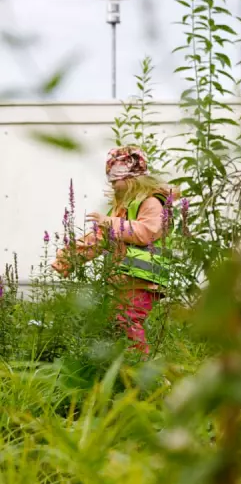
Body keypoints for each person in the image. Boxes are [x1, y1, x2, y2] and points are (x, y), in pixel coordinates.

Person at [52, 146, 176, 355]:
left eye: (115, 178)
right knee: (116, 324)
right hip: (125, 278)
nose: (112, 184)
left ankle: (145, 371)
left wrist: (110, 222)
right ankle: (124, 370)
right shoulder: (123, 208)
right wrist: (69, 257)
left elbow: (146, 232)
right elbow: (100, 238)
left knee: (128, 321)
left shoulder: (152, 202)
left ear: (132, 177)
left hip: (144, 279)